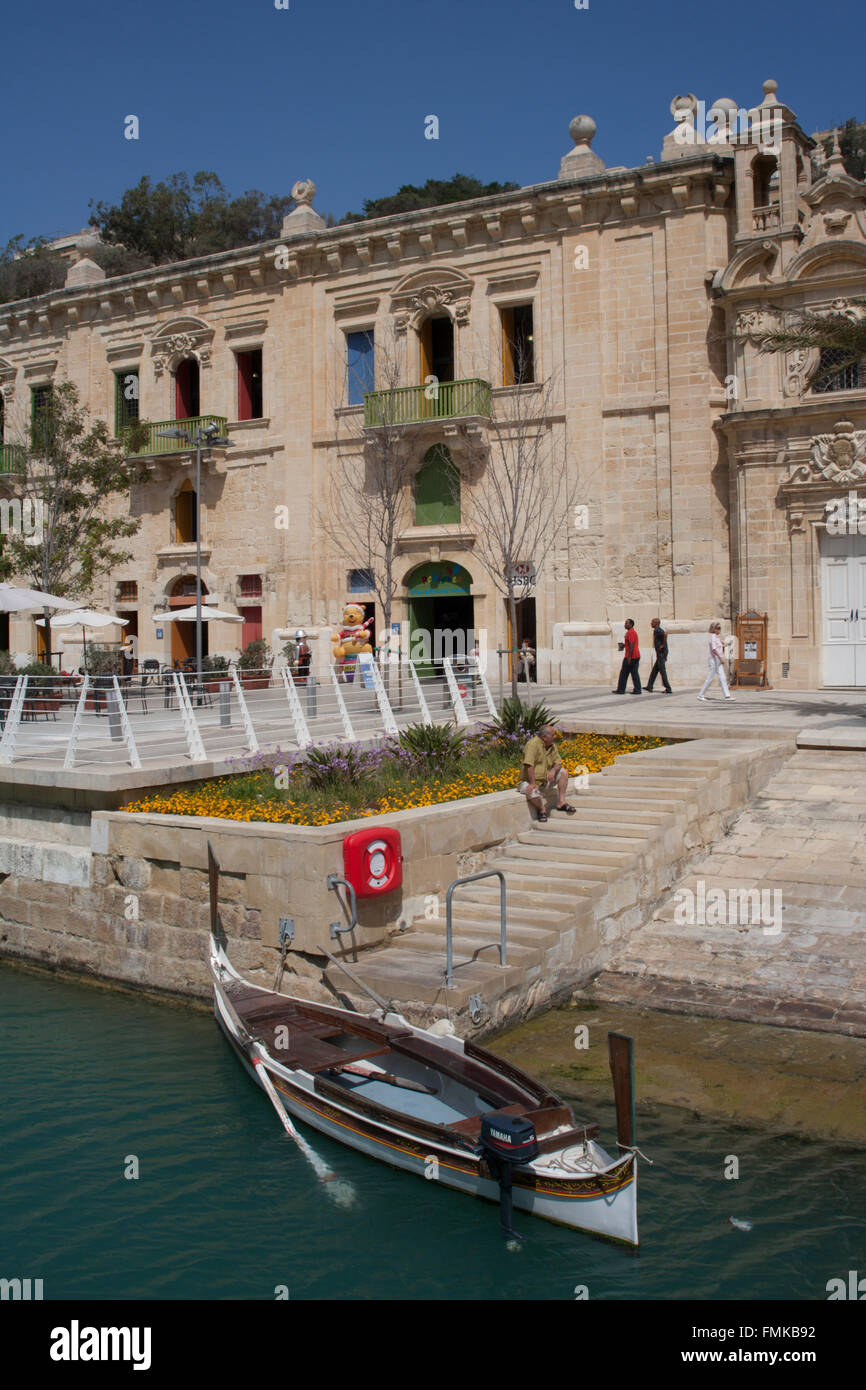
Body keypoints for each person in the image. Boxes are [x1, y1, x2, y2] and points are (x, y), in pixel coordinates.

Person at [518, 724, 576, 822]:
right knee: (531, 791)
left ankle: (561, 803)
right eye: (553, 735)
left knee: (563, 773)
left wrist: (553, 771)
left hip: (545, 781)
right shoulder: (532, 745)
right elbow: (529, 765)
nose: (555, 737)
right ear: (544, 737)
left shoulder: (552, 746)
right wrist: (532, 783)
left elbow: (558, 762)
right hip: (529, 781)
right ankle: (541, 810)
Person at [697, 622, 734, 701]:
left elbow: (719, 646)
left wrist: (724, 644)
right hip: (714, 660)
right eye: (718, 628)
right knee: (710, 678)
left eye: (720, 628)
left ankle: (727, 695)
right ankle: (701, 695)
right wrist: (721, 658)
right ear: (714, 629)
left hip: (718, 660)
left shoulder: (717, 637)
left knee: (722, 677)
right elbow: (714, 649)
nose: (719, 630)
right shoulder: (713, 637)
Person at [613, 618, 641, 694]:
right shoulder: (631, 632)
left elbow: (631, 645)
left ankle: (621, 690)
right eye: (625, 623)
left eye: (626, 623)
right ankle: (638, 689)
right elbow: (630, 643)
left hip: (631, 656)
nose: (625, 625)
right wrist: (624, 645)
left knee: (624, 673)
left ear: (631, 624)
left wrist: (629, 657)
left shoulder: (630, 632)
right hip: (636, 656)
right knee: (634, 673)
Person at [645, 617, 672, 693]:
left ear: (656, 623)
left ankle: (668, 688)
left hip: (661, 654)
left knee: (662, 672)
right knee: (654, 670)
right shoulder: (656, 630)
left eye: (652, 622)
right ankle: (649, 686)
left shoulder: (657, 630)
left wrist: (662, 645)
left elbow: (665, 634)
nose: (651, 623)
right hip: (660, 654)